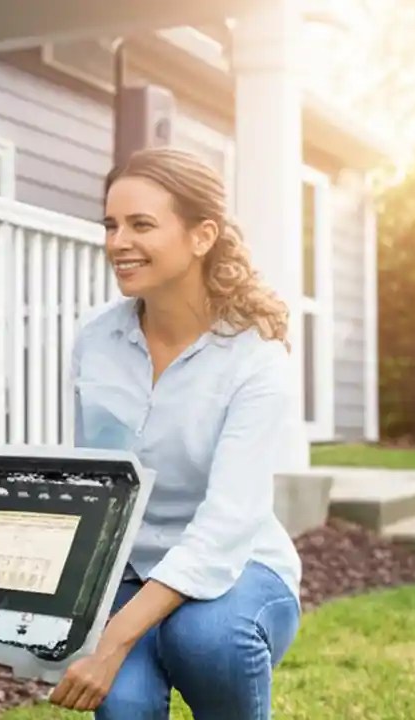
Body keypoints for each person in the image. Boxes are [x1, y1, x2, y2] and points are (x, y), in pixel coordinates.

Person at [48, 148, 303, 719]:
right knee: (123, 704)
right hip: (126, 570)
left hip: (239, 569)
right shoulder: (96, 340)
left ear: (201, 235)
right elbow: (94, 482)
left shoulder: (255, 359)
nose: (117, 242)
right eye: (111, 225)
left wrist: (113, 641)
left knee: (205, 639)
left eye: (141, 225)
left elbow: (226, 526)